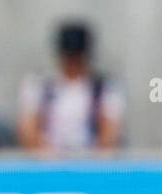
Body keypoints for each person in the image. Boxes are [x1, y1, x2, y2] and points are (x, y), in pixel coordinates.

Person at [17, 21, 123, 153]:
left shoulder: (103, 88)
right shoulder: (38, 85)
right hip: (47, 162)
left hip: (90, 162)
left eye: (77, 56)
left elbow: (109, 133)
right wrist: (46, 154)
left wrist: (92, 158)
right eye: (69, 56)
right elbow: (28, 129)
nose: (73, 62)